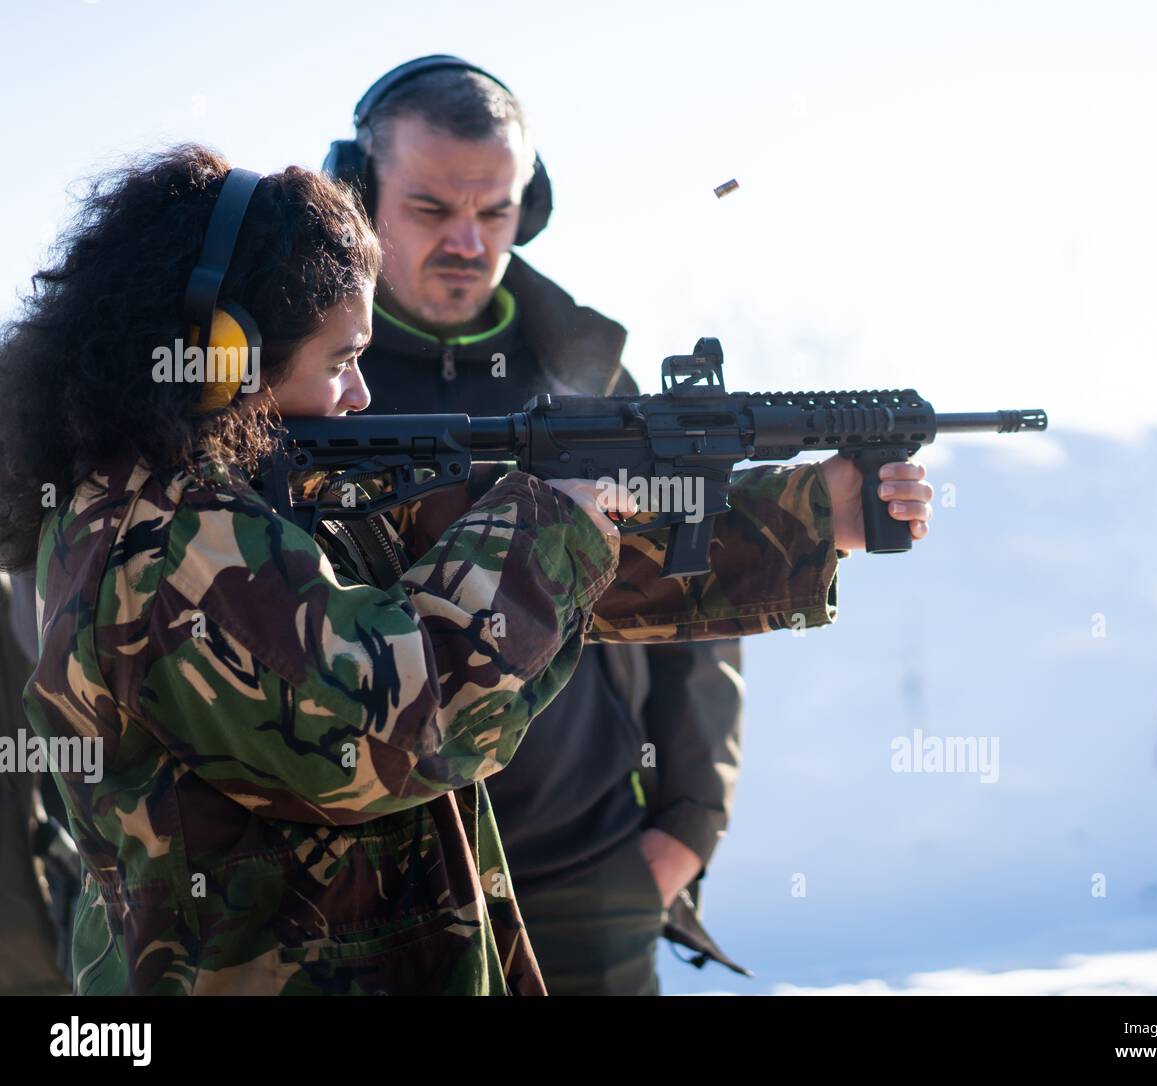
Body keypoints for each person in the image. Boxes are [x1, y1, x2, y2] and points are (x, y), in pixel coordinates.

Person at [0, 145, 933, 995]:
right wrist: (550, 529)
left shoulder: (241, 496)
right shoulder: (166, 540)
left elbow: (477, 551)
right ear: (221, 358)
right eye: (343, 360)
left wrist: (815, 515)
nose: (361, 395)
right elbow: (385, 730)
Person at [325, 55, 744, 993]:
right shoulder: (308, 380)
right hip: (374, 896)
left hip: (588, 880)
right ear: (359, 196)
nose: (469, 240)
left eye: (497, 210)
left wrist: (687, 823)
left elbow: (694, 586)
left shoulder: (589, 371)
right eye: (432, 209)